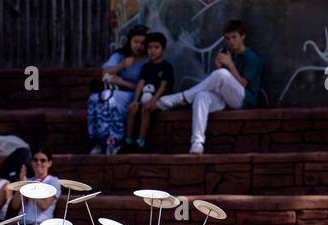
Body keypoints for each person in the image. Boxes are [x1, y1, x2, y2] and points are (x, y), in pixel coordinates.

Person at [154, 18, 263, 154]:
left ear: (243, 36)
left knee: (222, 74)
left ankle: (182, 97)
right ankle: (197, 143)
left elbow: (242, 84)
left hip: (244, 101)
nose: (231, 42)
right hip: (227, 100)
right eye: (228, 38)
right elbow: (222, 82)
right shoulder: (232, 56)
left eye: (234, 37)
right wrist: (219, 67)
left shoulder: (252, 58)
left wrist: (229, 66)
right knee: (201, 96)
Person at [87, 24, 149, 155]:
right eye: (135, 42)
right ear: (130, 41)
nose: (138, 46)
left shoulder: (147, 61)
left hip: (134, 95)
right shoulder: (120, 55)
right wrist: (122, 65)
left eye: (142, 43)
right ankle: (98, 140)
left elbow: (143, 86)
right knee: (95, 98)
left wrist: (122, 82)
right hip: (116, 91)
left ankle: (113, 141)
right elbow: (105, 73)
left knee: (109, 100)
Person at [124, 32, 176, 152]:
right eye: (150, 47)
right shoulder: (146, 67)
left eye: (156, 47)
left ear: (163, 49)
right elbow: (140, 84)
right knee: (132, 109)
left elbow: (163, 87)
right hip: (145, 98)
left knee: (146, 109)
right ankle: (128, 140)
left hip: (161, 99)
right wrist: (135, 101)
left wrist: (153, 101)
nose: (152, 50)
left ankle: (141, 141)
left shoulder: (167, 66)